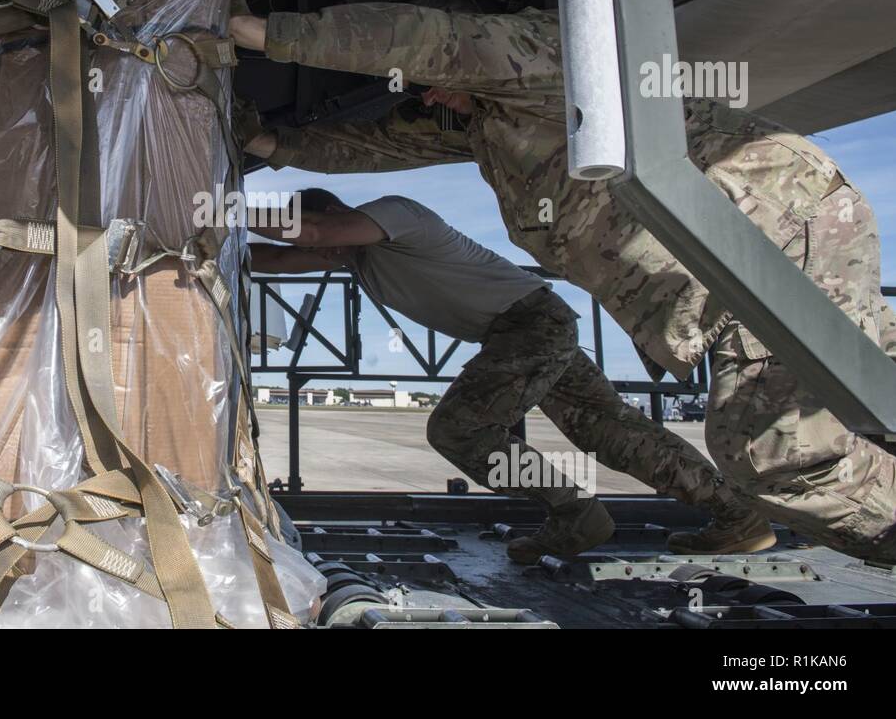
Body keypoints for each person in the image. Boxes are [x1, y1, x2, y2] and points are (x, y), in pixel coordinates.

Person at [230, 0, 896, 563]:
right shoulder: (488, 126)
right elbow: (372, 147)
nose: (424, 90)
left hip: (766, 228)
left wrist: (256, 33)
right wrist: (263, 145)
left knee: (775, 452)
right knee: (611, 430)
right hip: (708, 273)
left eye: (427, 72)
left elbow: (431, 42)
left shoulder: (537, 58)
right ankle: (721, 515)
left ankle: (593, 507)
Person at [250, 189, 773, 563]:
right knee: (612, 432)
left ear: (339, 214)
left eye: (325, 239)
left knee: (460, 430)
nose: (323, 255)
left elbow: (315, 233)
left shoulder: (396, 214)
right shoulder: (356, 258)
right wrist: (191, 232)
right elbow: (271, 257)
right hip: (533, 327)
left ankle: (575, 509)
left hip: (529, 323)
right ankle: (732, 515)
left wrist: (216, 205)